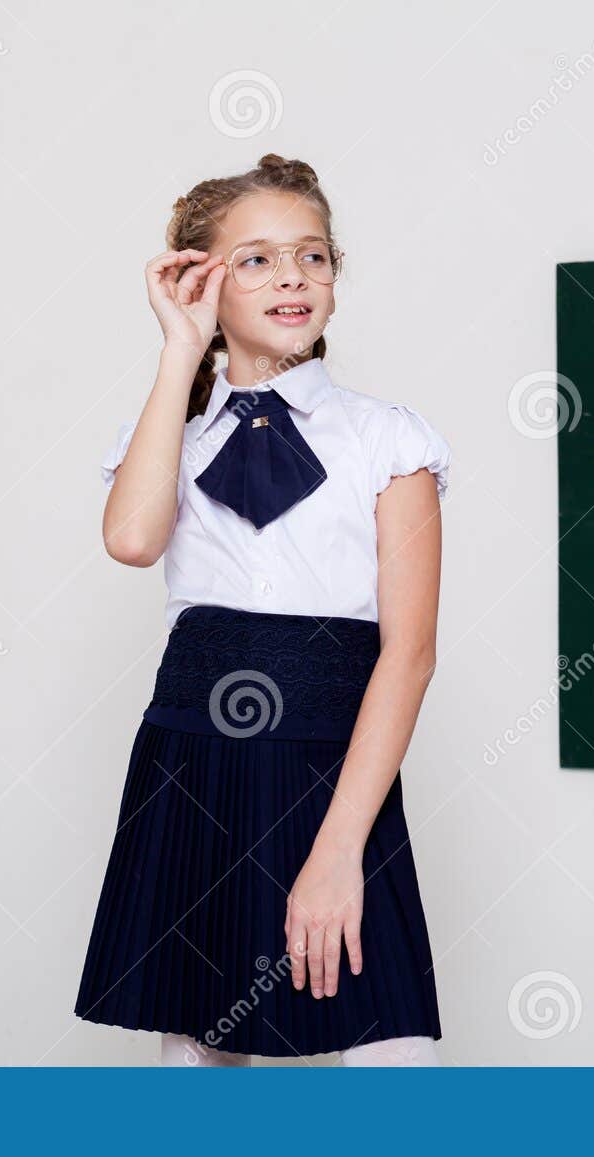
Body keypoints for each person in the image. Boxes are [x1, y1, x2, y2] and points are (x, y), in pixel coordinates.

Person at [73, 154, 449, 1067]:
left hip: (333, 767)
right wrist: (180, 350)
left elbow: (408, 654)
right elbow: (131, 539)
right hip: (194, 761)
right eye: (256, 260)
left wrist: (337, 851)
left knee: (392, 1055)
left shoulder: (388, 439)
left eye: (313, 257)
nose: (292, 277)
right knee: (200, 1056)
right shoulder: (171, 433)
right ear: (203, 279)